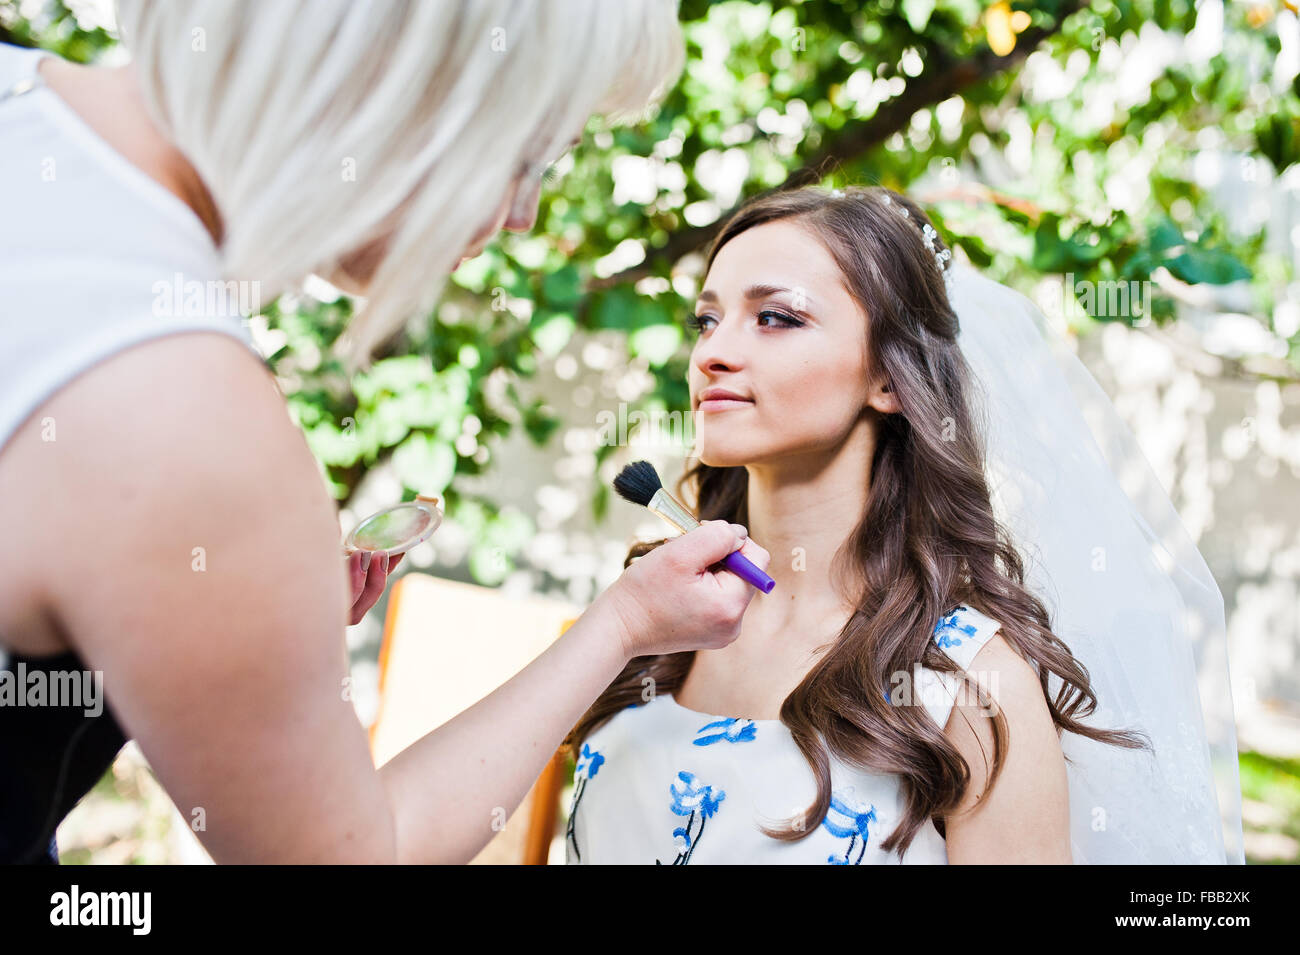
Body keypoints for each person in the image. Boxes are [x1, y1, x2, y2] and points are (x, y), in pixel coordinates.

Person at [0, 0, 778, 865]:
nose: (522, 215)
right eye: (527, 158)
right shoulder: (189, 423)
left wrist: (239, 626)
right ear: (407, 87)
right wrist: (624, 623)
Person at [563, 184, 1245, 864]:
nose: (711, 354)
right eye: (705, 321)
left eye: (775, 316)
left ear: (889, 377)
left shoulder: (970, 683)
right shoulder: (655, 614)